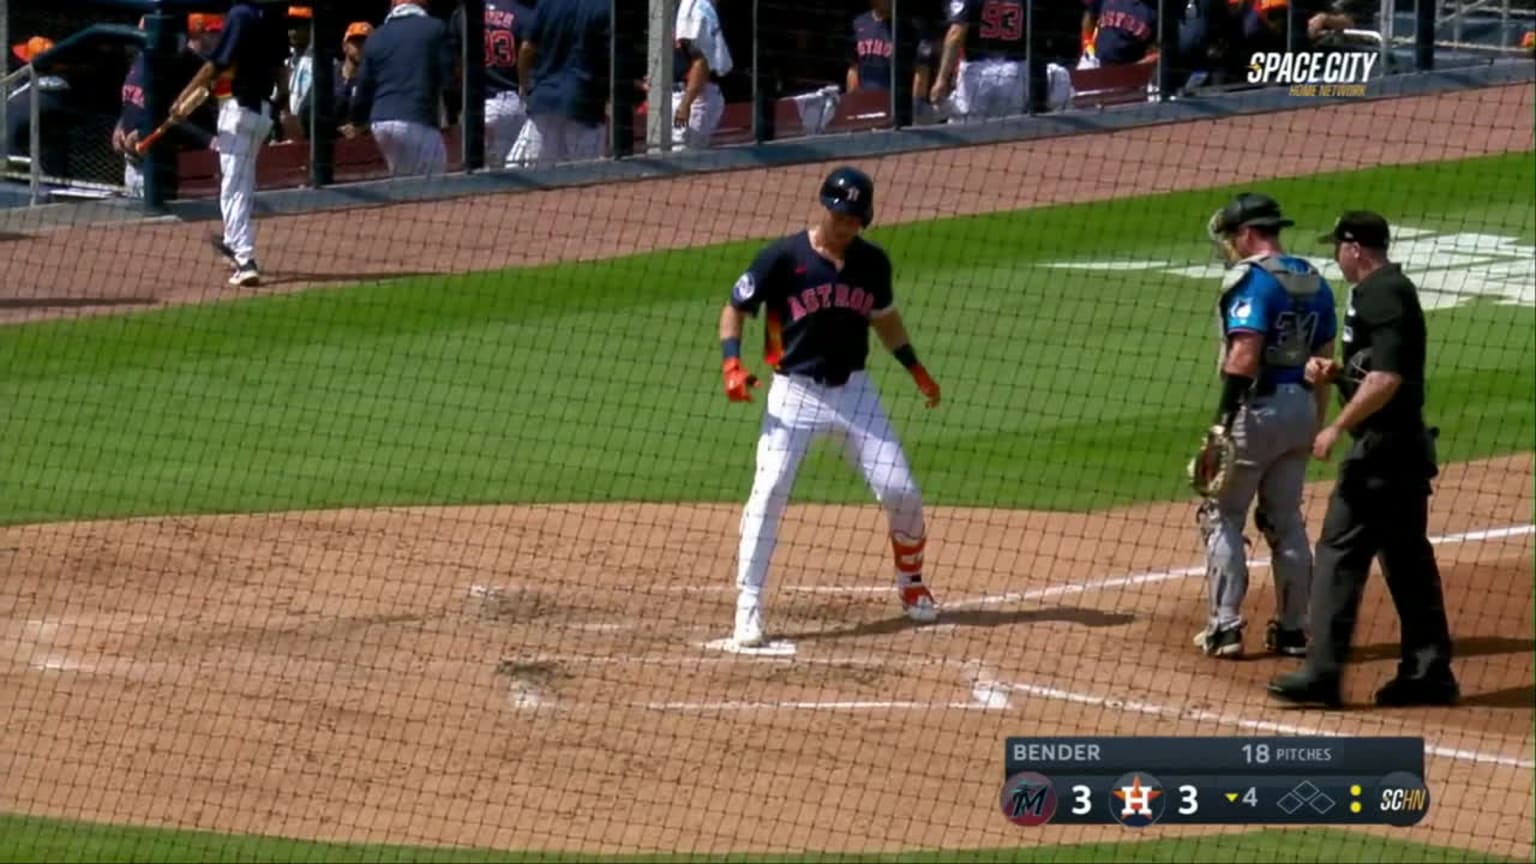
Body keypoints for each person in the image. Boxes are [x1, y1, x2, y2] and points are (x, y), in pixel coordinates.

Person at [717, 166, 942, 649]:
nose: (845, 226)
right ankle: (748, 607)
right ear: (824, 207)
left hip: (856, 392)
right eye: (840, 216)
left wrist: (915, 369)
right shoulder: (782, 257)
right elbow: (735, 307)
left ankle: (912, 584)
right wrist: (731, 365)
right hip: (794, 394)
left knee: (901, 491)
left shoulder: (872, 264)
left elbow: (885, 319)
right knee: (771, 488)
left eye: (855, 220)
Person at [1269, 211, 1459, 709]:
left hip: (1382, 452)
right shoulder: (1382, 292)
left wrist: (1335, 425)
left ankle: (1323, 674)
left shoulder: (1384, 293)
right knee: (1406, 560)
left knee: (1339, 552)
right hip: (1401, 449)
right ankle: (1428, 672)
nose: (1336, 256)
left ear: (1355, 248)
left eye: (1338, 247)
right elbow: (1374, 371)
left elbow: (1389, 379)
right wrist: (1336, 375)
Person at [1194, 192, 1337, 659]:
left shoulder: (1252, 281)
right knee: (1286, 521)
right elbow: (1324, 359)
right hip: (1301, 408)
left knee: (1223, 514)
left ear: (1248, 234)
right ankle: (1294, 631)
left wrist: (1221, 423)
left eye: (1233, 237)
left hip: (1257, 411)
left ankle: (1225, 627)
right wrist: (1316, 421)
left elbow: (1245, 354)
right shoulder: (1315, 279)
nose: (1229, 247)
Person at [176, 0, 289, 287]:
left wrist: (182, 98)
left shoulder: (241, 14)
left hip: (236, 110)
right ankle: (231, 242)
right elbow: (282, 70)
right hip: (262, 113)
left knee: (233, 189)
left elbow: (216, 64)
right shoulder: (274, 14)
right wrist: (280, 103)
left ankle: (244, 258)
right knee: (243, 184)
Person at [115, 14, 221, 200]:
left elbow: (179, 115)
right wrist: (121, 124)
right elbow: (135, 98)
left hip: (168, 166)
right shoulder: (143, 59)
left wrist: (145, 131)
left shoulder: (188, 66)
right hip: (135, 163)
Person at [346, 0, 453, 177]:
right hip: (417, 119)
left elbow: (364, 88)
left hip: (381, 124)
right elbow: (447, 79)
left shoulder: (376, 36)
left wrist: (357, 121)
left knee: (404, 181)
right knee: (436, 183)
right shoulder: (436, 28)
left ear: (393, 6)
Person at [508, 0, 610, 167]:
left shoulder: (547, 3)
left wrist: (523, 83)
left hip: (545, 101)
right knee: (586, 178)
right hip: (584, 104)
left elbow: (526, 48)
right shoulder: (603, 5)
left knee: (525, 175)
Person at [449, 0, 531, 167]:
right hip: (512, 102)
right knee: (514, 170)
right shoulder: (523, 14)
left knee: (480, 172)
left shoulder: (462, 15)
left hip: (476, 107)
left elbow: (455, 64)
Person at [846, 0, 936, 120]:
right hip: (866, 108)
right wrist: (851, 106)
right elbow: (854, 68)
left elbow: (921, 70)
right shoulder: (859, 23)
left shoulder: (910, 27)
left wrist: (917, 109)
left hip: (897, 111)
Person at [672, 0, 732, 149]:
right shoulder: (681, 7)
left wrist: (685, 104)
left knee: (684, 158)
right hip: (680, 94)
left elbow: (701, 62)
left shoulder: (694, 8)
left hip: (697, 96)